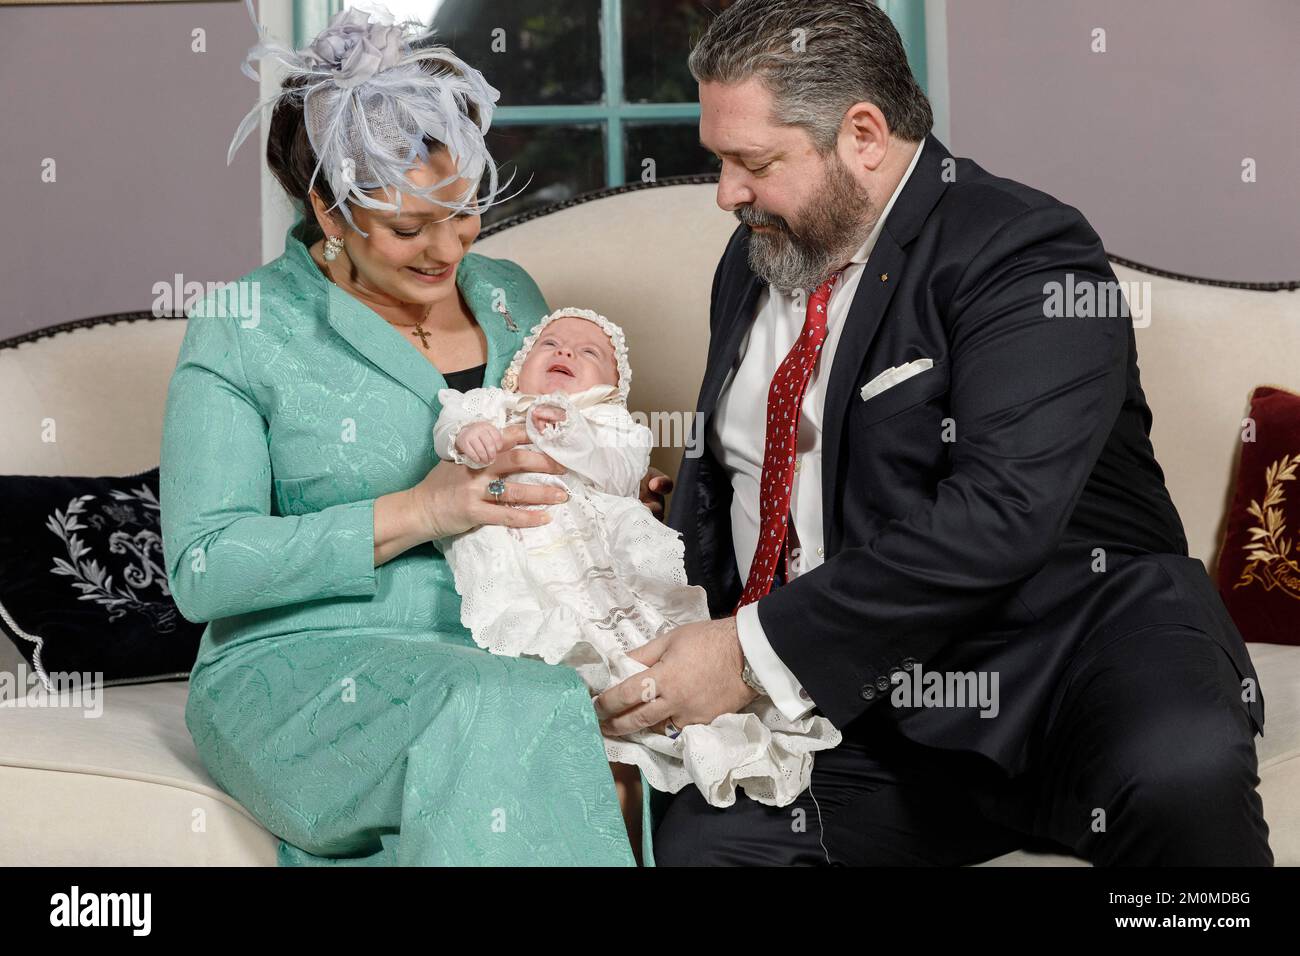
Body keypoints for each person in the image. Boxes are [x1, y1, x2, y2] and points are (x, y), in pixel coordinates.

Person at [595, 0, 1272, 866]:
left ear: (865, 135)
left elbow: (1002, 512)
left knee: (1182, 775)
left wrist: (742, 651)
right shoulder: (760, 249)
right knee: (708, 846)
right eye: (719, 161)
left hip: (1069, 660)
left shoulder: (1026, 251)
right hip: (857, 699)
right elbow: (755, 466)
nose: (726, 192)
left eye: (751, 161)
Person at [162, 0, 667, 866]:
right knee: (510, 707)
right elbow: (203, 569)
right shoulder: (244, 326)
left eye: (466, 210)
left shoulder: (509, 292)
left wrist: (615, 498)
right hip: (306, 666)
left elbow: (576, 436)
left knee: (646, 711)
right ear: (328, 211)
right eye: (407, 227)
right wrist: (421, 512)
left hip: (529, 639)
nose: (448, 248)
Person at [432, 308, 840, 849]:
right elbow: (449, 430)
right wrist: (471, 437)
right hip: (519, 551)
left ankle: (666, 729)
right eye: (549, 344)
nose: (566, 354)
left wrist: (572, 434)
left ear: (612, 387)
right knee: (540, 644)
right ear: (516, 369)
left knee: (632, 641)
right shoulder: (492, 405)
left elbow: (619, 471)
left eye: (588, 353)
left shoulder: (611, 425)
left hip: (596, 564)